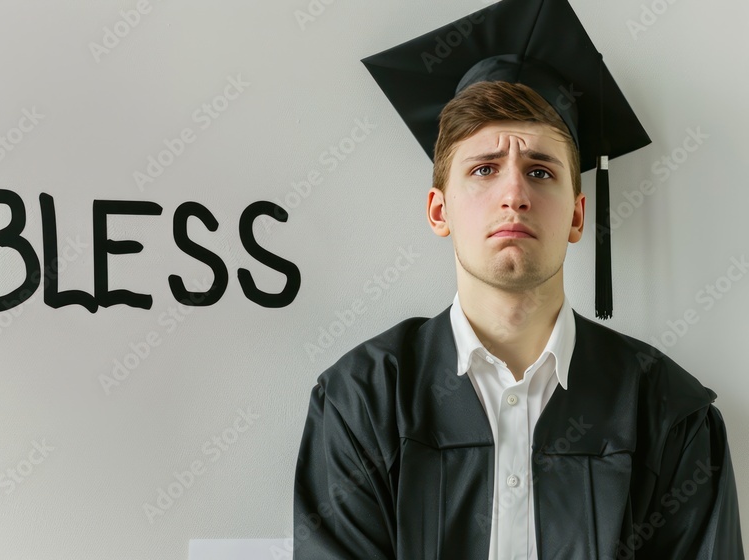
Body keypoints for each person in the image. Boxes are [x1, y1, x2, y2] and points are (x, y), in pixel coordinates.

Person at [291, 0, 744, 558]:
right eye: (483, 169)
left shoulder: (669, 414)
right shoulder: (363, 402)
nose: (514, 194)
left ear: (578, 215)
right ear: (439, 211)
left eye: (540, 170)